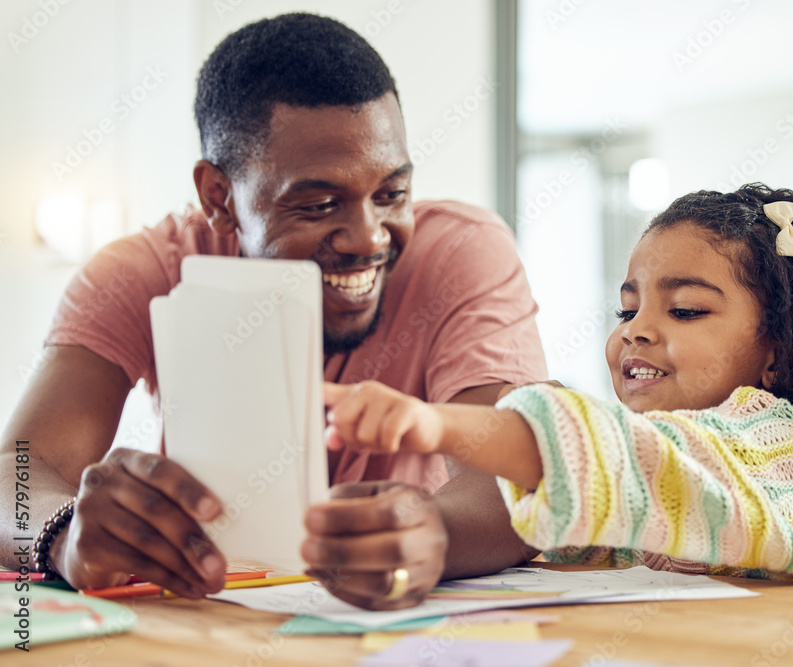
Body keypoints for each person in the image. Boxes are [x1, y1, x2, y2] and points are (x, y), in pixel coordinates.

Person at [0, 13, 548, 610]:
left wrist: (433, 532)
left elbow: (515, 466)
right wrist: (61, 530)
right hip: (211, 617)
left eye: (391, 194)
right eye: (317, 204)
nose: (369, 237)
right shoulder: (144, 270)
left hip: (401, 624)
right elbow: (18, 471)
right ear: (220, 197)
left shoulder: (462, 251)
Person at [321, 183, 793, 587]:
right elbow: (568, 520)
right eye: (626, 310)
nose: (636, 332)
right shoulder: (636, 472)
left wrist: (434, 422)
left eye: (686, 310)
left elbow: (631, 463)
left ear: (780, 351)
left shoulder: (781, 448)